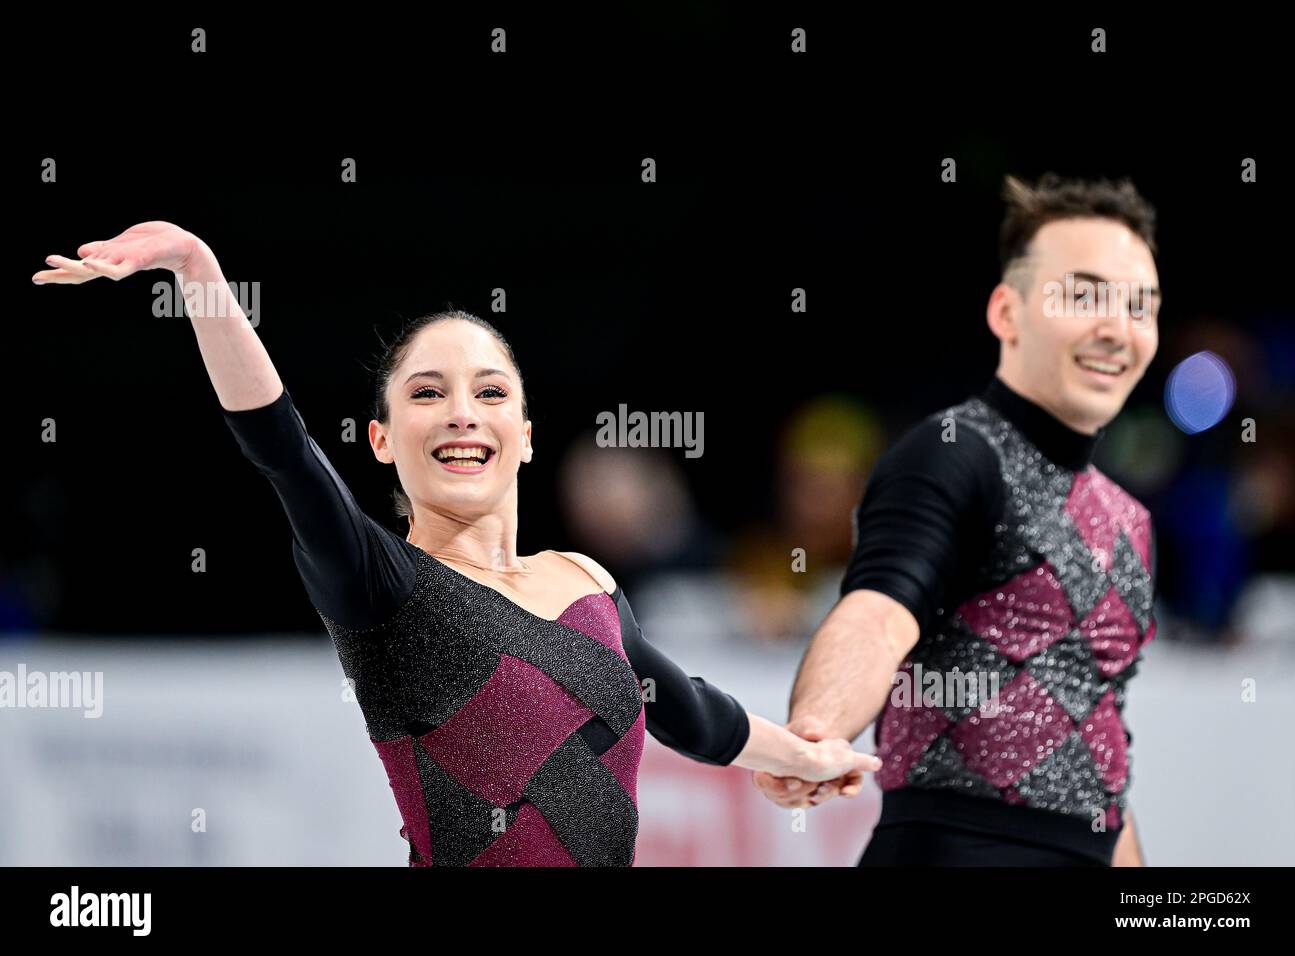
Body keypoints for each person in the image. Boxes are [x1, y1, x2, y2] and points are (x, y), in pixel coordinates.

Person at [33, 221, 880, 866]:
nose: (462, 412)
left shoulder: (583, 580)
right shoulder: (381, 587)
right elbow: (281, 448)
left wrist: (804, 754)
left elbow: (688, 710)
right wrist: (198, 270)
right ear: (380, 439)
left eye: (489, 391)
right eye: (427, 394)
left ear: (526, 433)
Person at [753, 173, 1161, 867]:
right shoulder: (953, 454)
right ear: (1008, 312)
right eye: (1085, 294)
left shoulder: (1129, 520)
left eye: (1141, 305)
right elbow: (879, 614)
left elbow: (1099, 748)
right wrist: (817, 731)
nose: (1117, 327)